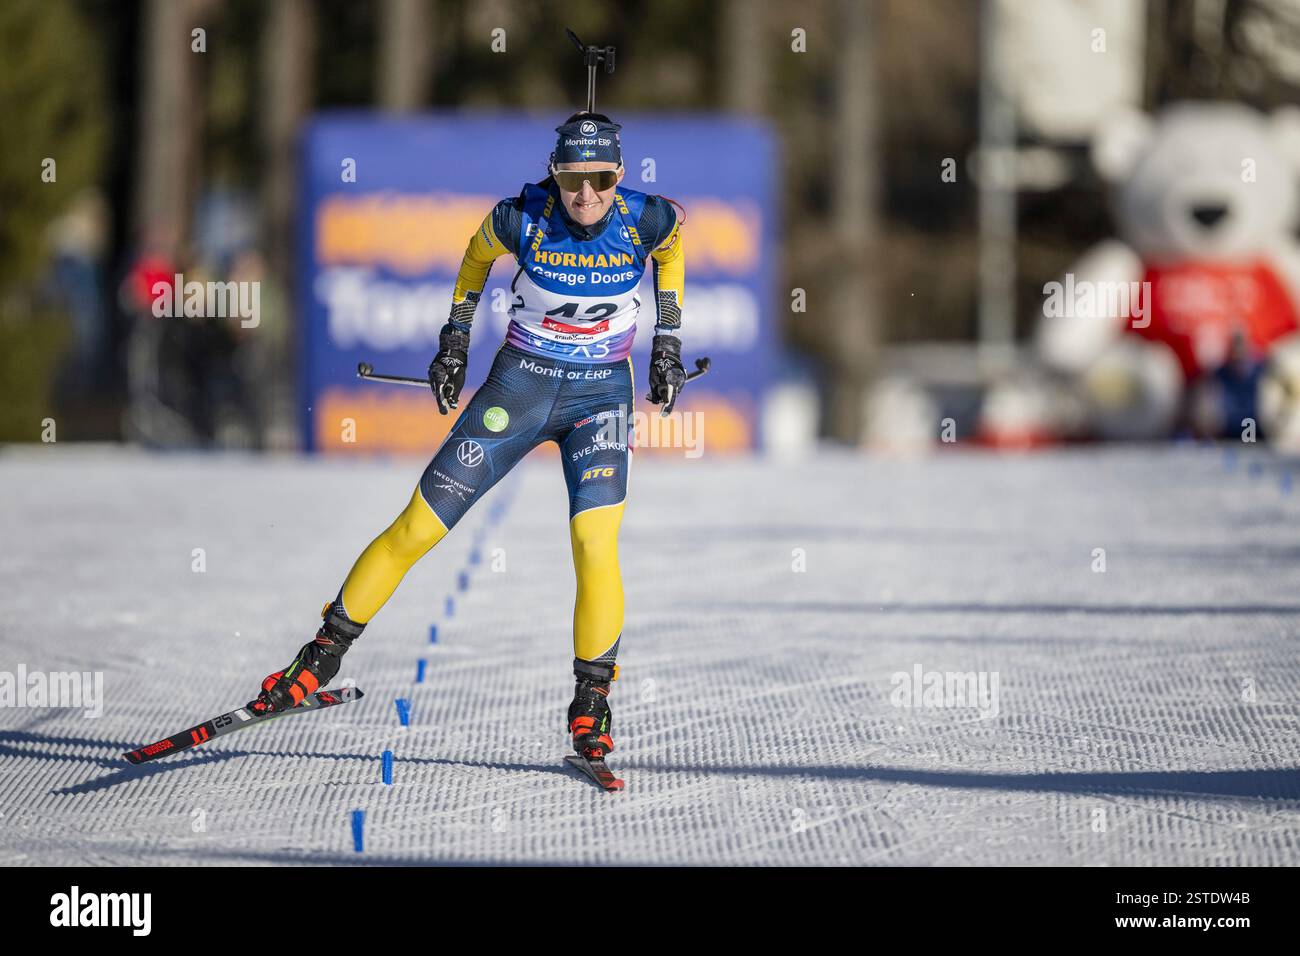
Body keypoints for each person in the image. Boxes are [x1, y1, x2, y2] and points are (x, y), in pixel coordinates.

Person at [248, 112, 686, 762]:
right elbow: (476, 258)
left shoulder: (648, 218)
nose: (585, 196)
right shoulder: (521, 217)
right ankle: (316, 660)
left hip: (601, 399)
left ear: (618, 175)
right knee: (417, 529)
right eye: (572, 180)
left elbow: (673, 248)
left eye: (599, 180)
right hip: (519, 391)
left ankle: (591, 705)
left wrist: (668, 338)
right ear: (554, 173)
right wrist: (455, 340)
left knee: (596, 546)